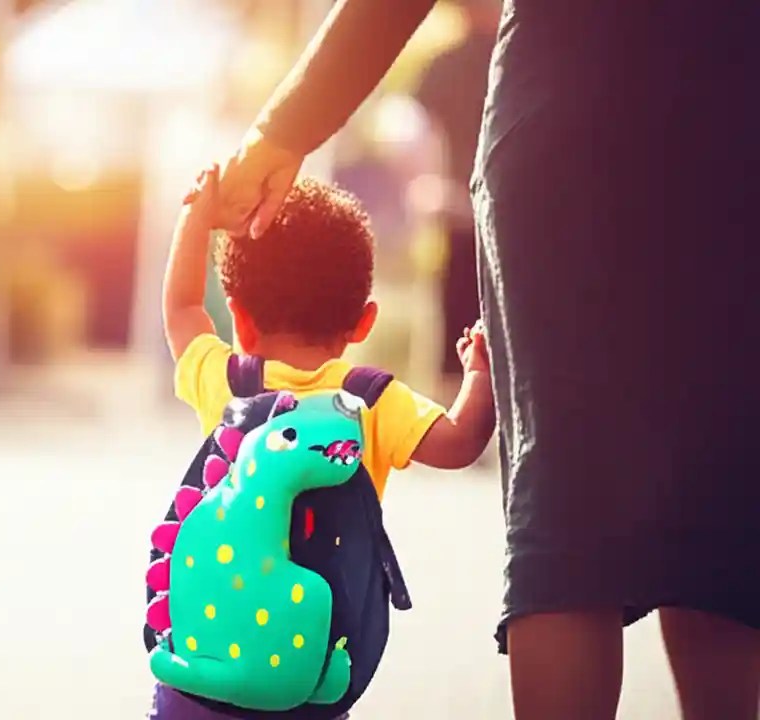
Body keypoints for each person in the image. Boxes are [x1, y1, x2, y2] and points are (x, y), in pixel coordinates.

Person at [211, 1, 760, 718]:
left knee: (569, 511)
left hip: (566, 118)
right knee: (719, 504)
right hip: (733, 114)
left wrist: (280, 131)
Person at [152, 163, 495, 718]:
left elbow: (182, 309)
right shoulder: (370, 402)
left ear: (238, 319)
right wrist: (481, 373)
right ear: (363, 323)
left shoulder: (228, 382)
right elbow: (459, 443)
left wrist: (197, 215)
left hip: (204, 666)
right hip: (310, 672)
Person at [413, 0, 498, 403]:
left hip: (490, 207)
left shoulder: (512, 55)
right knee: (460, 311)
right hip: (466, 209)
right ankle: (459, 412)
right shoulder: (445, 66)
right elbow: (426, 136)